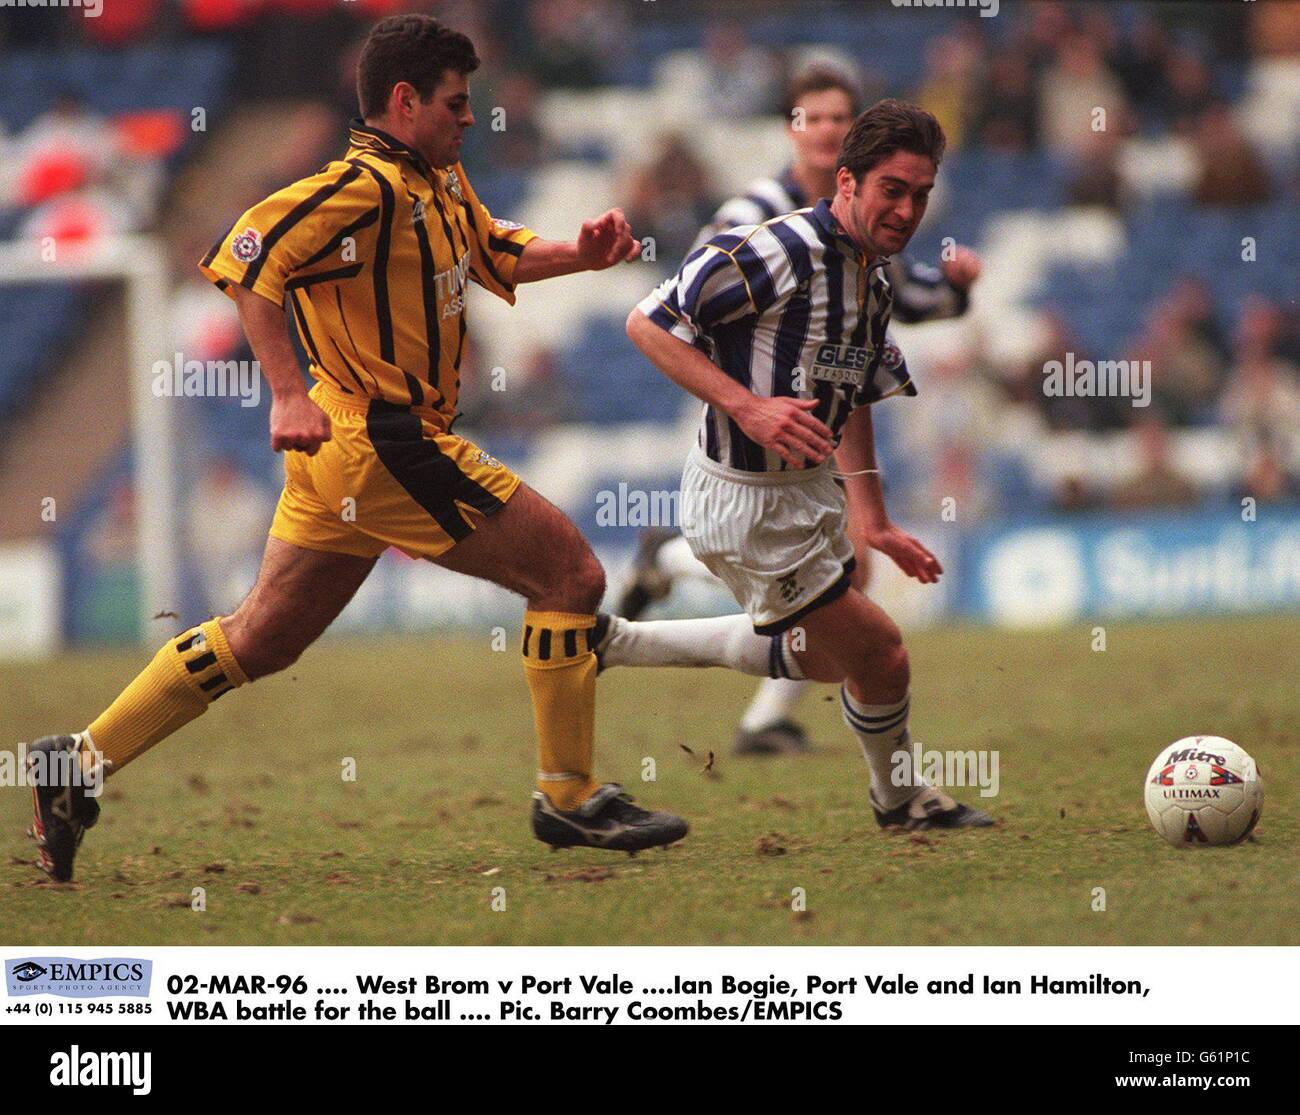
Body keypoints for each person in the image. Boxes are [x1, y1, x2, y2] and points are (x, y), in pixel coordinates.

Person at [25, 14, 686, 883]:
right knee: (570, 575)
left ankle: (76, 762)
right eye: (455, 103)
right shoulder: (362, 188)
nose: (468, 117)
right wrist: (287, 392)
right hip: (384, 442)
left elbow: (490, 253)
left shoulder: (437, 182)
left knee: (261, 639)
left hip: (347, 456)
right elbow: (244, 256)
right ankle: (567, 797)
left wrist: (580, 253)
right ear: (404, 102)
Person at [603, 99, 994, 832]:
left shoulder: (873, 280)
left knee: (819, 658)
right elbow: (647, 322)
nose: (908, 210)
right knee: (880, 652)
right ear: (847, 182)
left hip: (807, 493)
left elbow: (858, 392)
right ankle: (900, 799)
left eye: (920, 194)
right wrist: (747, 406)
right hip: (745, 496)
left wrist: (872, 517)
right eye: (893, 190)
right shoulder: (777, 248)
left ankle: (620, 641)